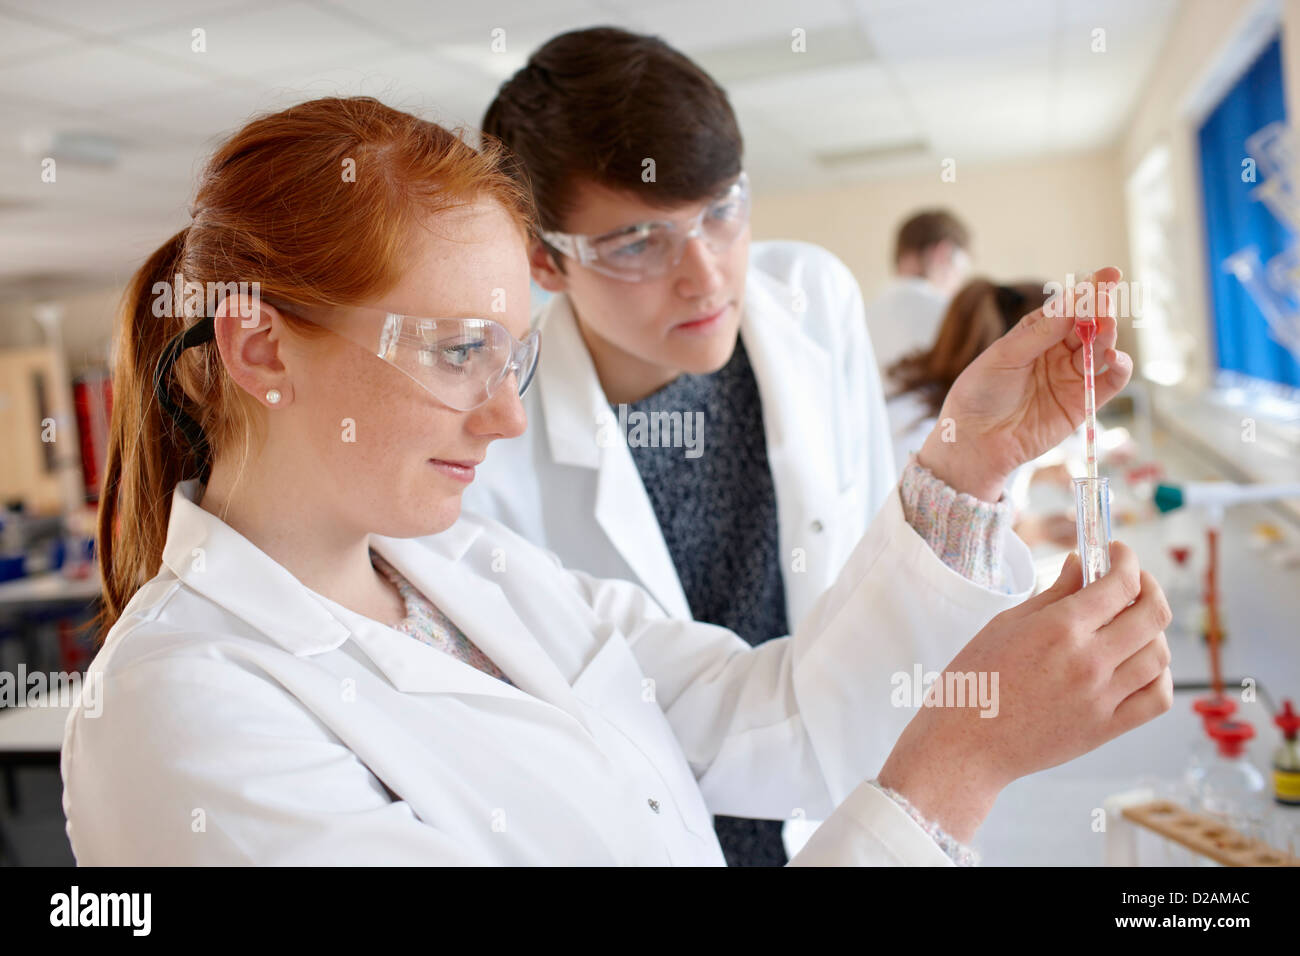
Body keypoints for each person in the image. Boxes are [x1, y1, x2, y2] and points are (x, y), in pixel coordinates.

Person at [61, 96, 1173, 867]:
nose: (503, 414)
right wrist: (956, 769)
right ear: (259, 350)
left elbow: (776, 716)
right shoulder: (183, 708)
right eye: (457, 352)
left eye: (512, 354)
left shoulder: (466, 569)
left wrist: (969, 462)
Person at [464, 26, 890, 864]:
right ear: (543, 262)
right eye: (637, 243)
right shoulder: (488, 445)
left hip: (851, 811)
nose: (705, 274)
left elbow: (884, 553)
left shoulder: (815, 297)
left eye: (721, 211)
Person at [886, 278, 1079, 550]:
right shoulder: (931, 436)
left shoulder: (922, 405)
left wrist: (1040, 475)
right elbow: (938, 550)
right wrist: (1034, 531)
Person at [866, 209, 973, 379]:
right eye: (961, 270)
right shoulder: (954, 316)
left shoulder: (863, 315)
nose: (958, 283)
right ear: (943, 252)